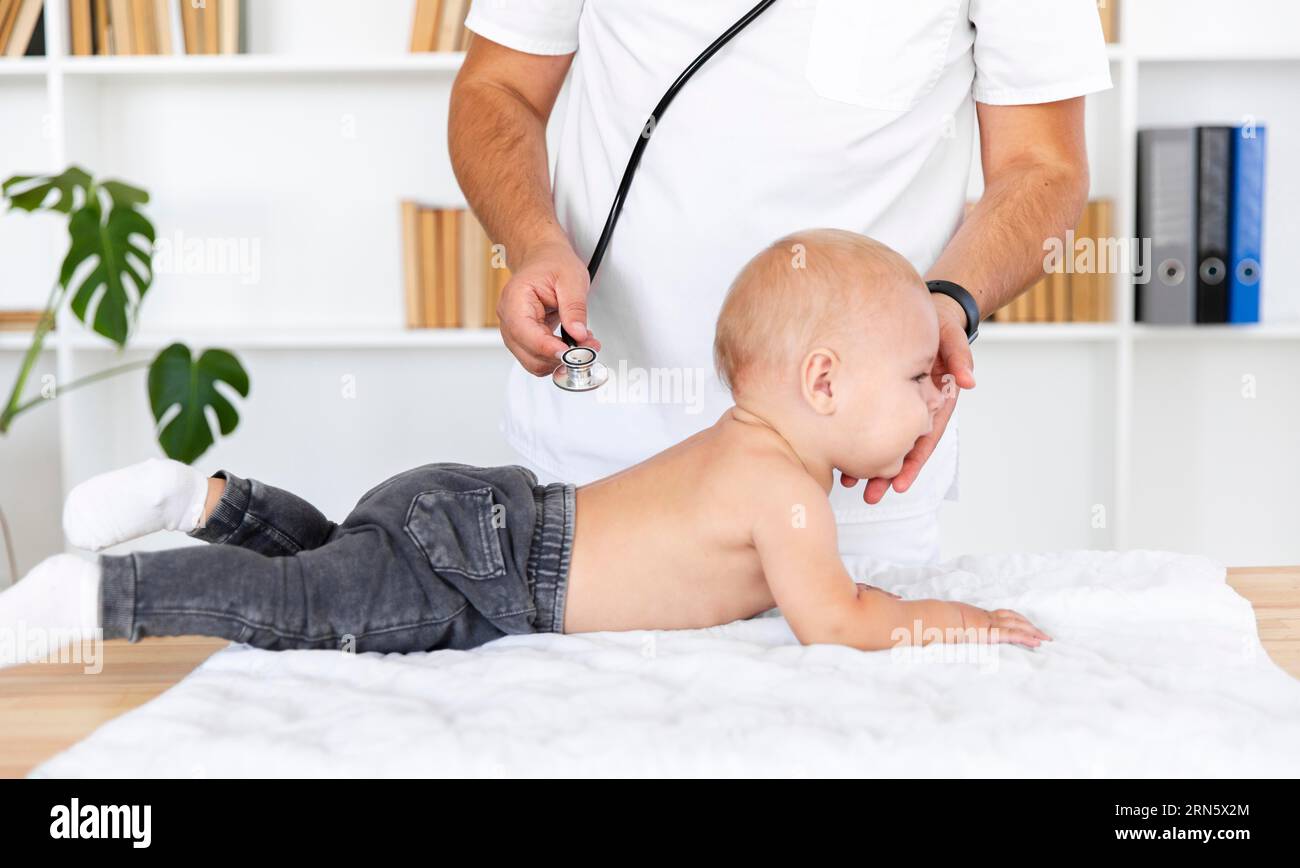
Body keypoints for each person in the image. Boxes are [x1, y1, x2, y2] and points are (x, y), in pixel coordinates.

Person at [0, 231, 1050, 667]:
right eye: (920, 378)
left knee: (328, 563)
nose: (935, 402)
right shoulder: (787, 495)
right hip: (496, 574)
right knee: (308, 609)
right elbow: (839, 620)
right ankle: (95, 597)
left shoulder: (746, 446)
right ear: (823, 383)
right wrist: (960, 624)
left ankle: (203, 498)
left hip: (479, 513)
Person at [448, 0, 1112, 567]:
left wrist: (948, 303)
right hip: (594, 468)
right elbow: (499, 87)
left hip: (855, 494)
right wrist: (533, 243)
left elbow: (1042, 164)